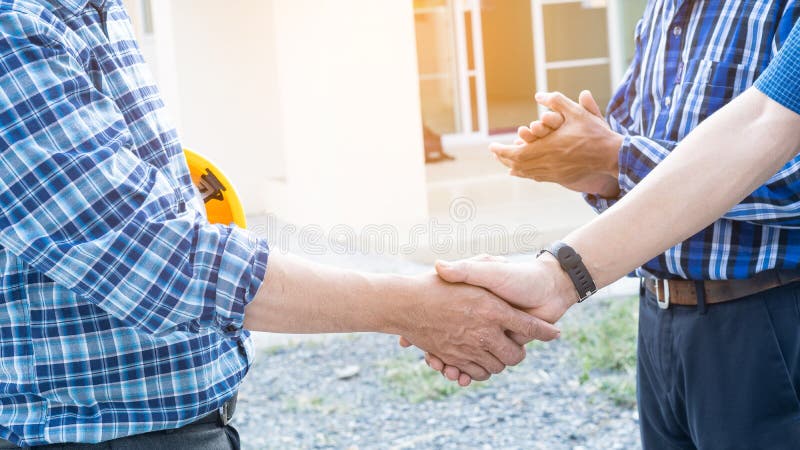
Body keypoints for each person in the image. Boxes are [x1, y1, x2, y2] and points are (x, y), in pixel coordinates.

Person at [0, 1, 561, 447]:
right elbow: (154, 257)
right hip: (93, 435)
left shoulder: (93, 12)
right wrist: (411, 306)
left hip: (169, 424)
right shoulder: (16, 26)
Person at [416, 6, 800, 450]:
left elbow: (768, 137)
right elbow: (629, 148)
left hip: (764, 315)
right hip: (658, 315)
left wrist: (615, 158)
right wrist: (593, 167)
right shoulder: (664, 10)